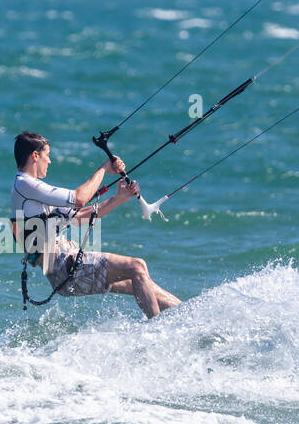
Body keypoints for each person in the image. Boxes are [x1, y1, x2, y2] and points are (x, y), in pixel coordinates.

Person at [10, 131, 180, 318]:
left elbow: (80, 216)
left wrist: (118, 199)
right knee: (137, 266)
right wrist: (103, 169)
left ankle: (187, 313)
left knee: (139, 281)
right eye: (47, 155)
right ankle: (156, 333)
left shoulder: (33, 191)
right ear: (35, 156)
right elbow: (80, 199)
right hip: (64, 266)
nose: (49, 161)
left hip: (65, 271)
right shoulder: (24, 185)